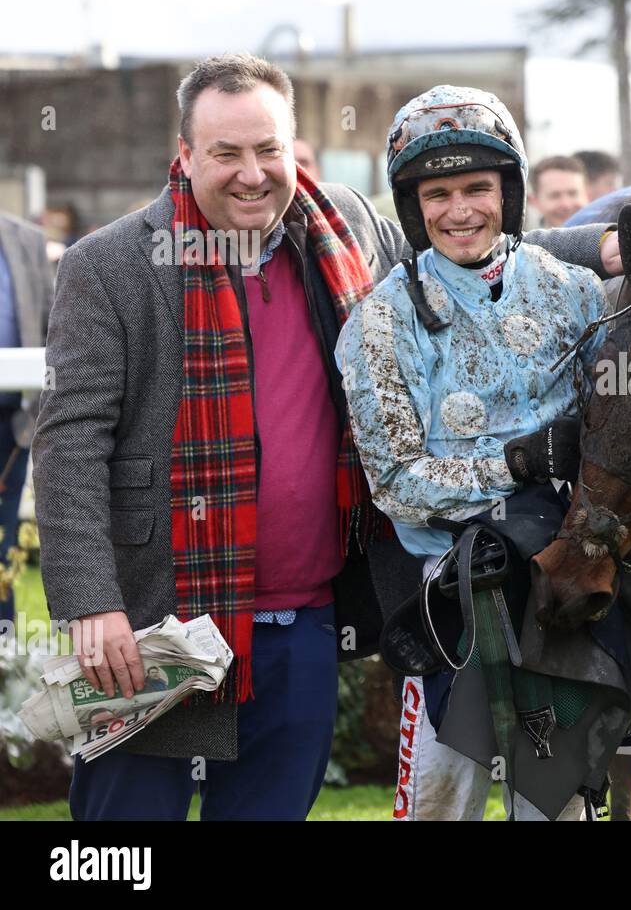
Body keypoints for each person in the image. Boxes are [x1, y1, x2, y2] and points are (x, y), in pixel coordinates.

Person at [32, 53, 421, 820]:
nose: (252, 173)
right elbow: (69, 442)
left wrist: (608, 250)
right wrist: (91, 604)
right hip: (152, 625)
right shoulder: (107, 266)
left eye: (268, 149)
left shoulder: (343, 229)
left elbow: (457, 257)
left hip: (305, 624)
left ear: (292, 148)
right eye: (227, 153)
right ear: (184, 157)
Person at [335, 85, 631, 821]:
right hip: (450, 602)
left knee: (554, 809)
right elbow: (396, 484)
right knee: (437, 807)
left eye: (477, 188)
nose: (460, 210)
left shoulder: (577, 293)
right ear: (412, 204)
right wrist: (519, 465)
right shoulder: (381, 321)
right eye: (439, 193)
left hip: (562, 593)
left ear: (509, 192)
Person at [0, 211, 53, 624]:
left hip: (11, 426)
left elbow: (53, 327)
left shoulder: (27, 241)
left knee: (4, 549)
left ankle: (3, 661)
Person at [528, 155, 588, 228]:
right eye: (555, 196)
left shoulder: (604, 236)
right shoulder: (524, 239)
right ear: (534, 201)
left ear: (586, 194)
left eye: (573, 194)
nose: (566, 204)